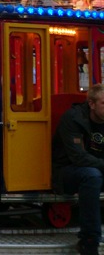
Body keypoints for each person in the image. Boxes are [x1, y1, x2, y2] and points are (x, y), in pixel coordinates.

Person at [52, 84, 104, 255]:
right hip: (67, 171)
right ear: (91, 103)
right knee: (92, 176)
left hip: (97, 169)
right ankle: (89, 240)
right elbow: (78, 157)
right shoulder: (73, 118)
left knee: (94, 175)